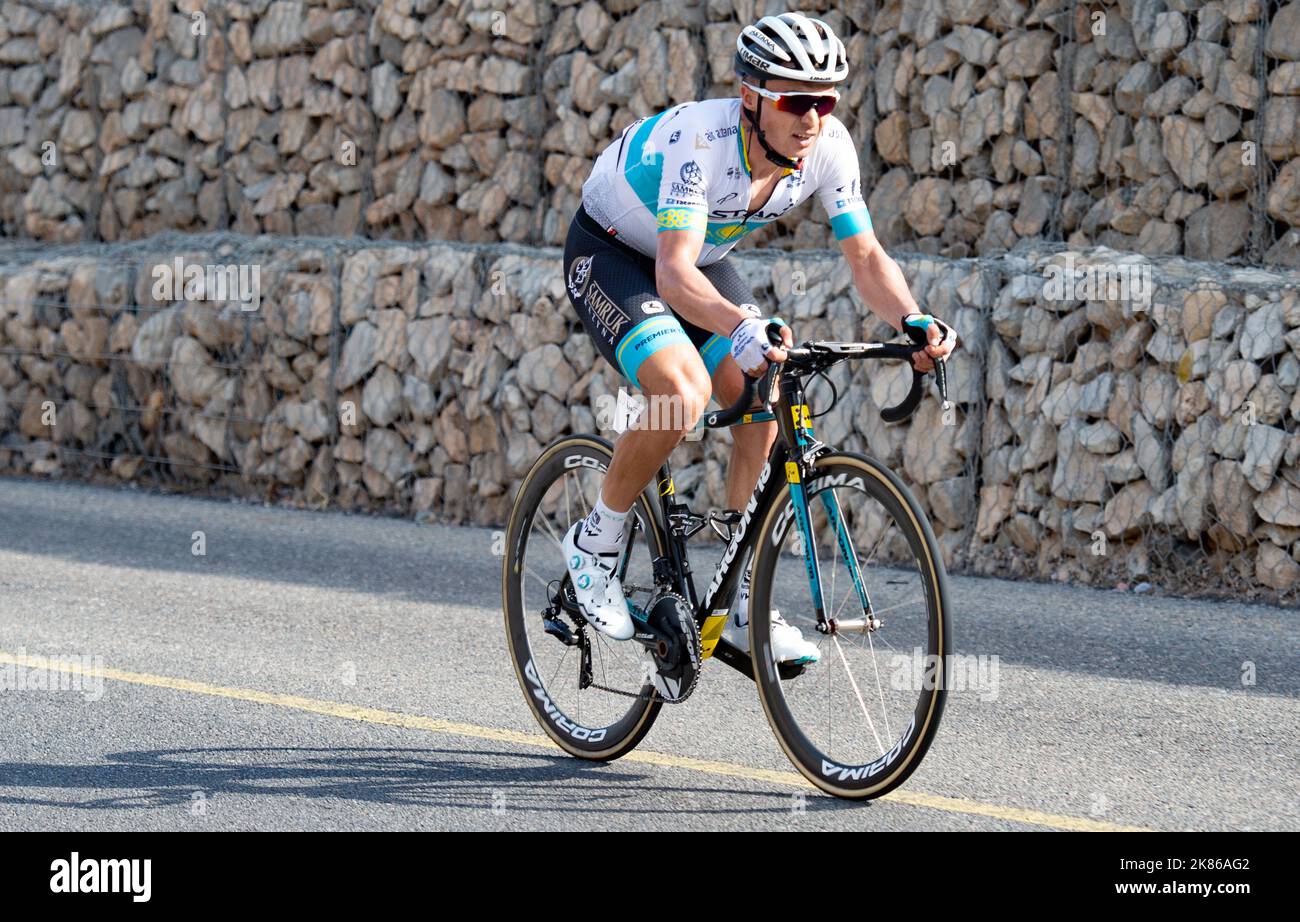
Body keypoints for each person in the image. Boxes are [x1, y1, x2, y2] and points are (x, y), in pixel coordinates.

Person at [560, 12, 956, 663]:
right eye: (796, 101)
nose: (813, 118)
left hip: (699, 257)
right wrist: (741, 324)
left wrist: (910, 319)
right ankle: (595, 543)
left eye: (824, 102)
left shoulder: (827, 148)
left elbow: (864, 255)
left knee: (763, 399)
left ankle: (741, 599)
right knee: (682, 392)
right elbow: (672, 273)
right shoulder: (703, 139)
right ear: (751, 95)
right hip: (613, 253)